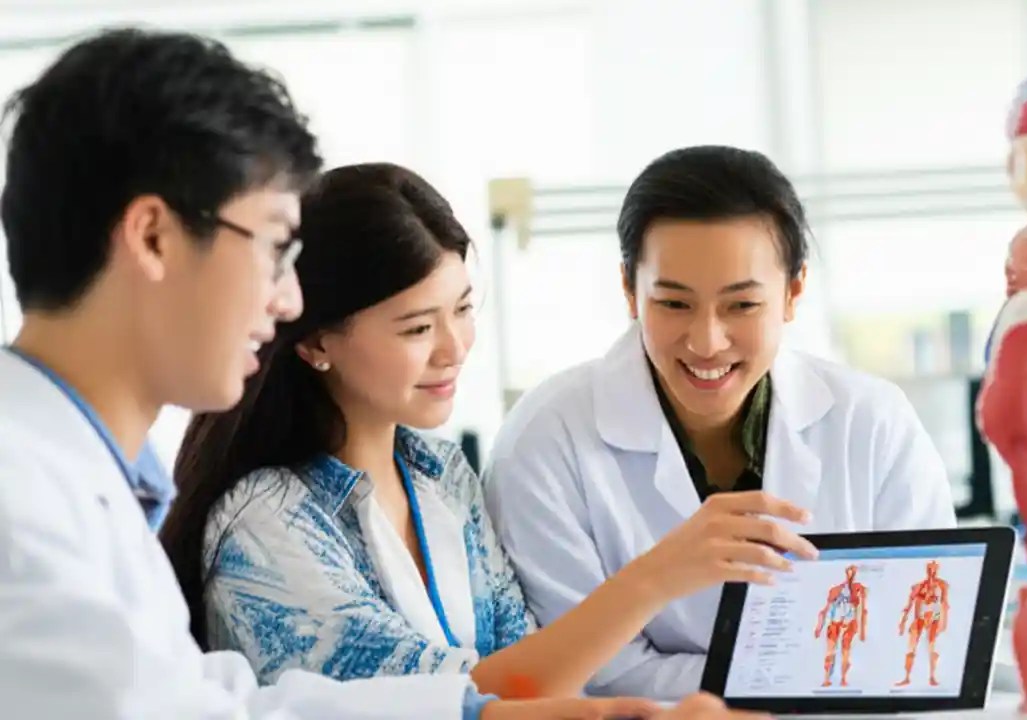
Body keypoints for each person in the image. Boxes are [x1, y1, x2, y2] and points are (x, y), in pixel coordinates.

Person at [0, 27, 736, 720]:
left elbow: (231, 709)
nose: (287, 300)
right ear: (154, 236)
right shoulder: (25, 508)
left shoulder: (73, 486)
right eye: (273, 249)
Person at [161, 161, 818, 699]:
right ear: (314, 342)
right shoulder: (266, 523)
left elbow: (531, 673)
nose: (454, 349)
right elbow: (449, 707)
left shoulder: (442, 476)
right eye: (417, 327)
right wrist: (653, 579)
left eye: (463, 310)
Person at [483, 145, 958, 699]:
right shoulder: (546, 440)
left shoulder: (874, 423)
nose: (707, 341)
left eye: (741, 306)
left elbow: (925, 646)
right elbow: (588, 673)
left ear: (793, 292)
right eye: (674, 304)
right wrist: (810, 676)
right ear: (629, 290)